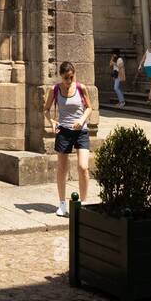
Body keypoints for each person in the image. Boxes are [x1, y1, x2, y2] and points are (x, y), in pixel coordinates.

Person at [44, 61, 91, 217]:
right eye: (65, 78)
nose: (68, 81)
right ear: (61, 76)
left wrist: (82, 119)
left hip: (81, 131)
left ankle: (83, 203)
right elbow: (45, 110)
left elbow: (89, 107)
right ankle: (62, 204)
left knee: (83, 167)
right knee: (62, 168)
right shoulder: (55, 89)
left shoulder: (81, 88)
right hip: (64, 131)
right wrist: (52, 122)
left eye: (71, 77)